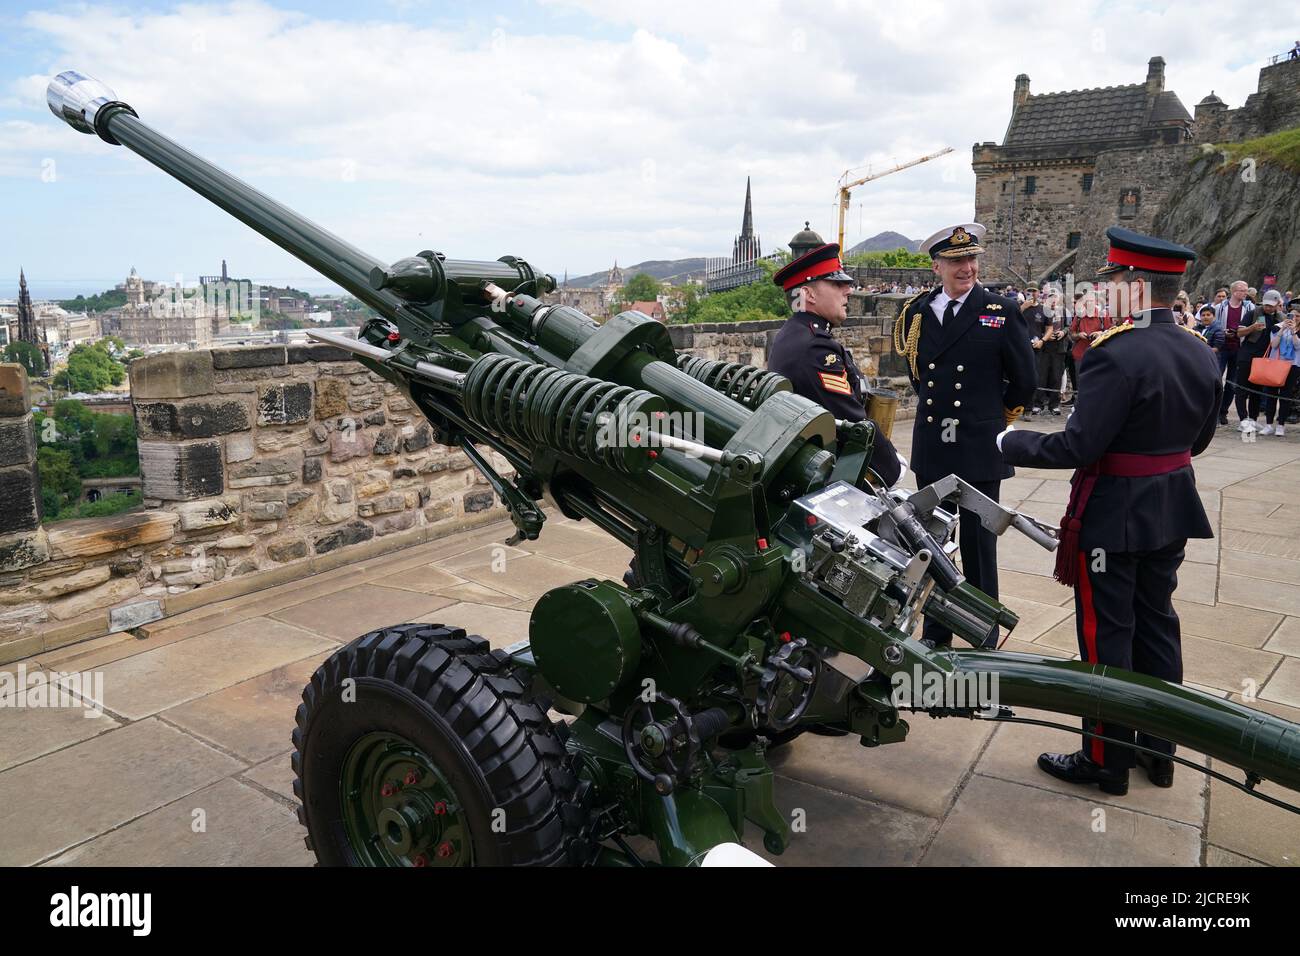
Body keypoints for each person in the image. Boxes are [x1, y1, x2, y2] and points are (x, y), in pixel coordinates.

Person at [998, 226, 1221, 795]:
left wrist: (1011, 442)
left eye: (1114, 280)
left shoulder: (1112, 355)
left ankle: (1104, 760)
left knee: (1106, 636)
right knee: (1158, 627)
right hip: (1172, 505)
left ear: (1133, 286)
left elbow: (1078, 447)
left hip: (1114, 513)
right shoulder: (1199, 349)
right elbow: (1199, 441)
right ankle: (1159, 748)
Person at [891, 223, 1037, 647]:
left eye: (972, 259)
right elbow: (918, 375)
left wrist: (995, 419)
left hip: (978, 446)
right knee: (933, 545)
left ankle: (984, 637)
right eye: (956, 261)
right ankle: (937, 637)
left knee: (978, 547)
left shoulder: (1001, 310)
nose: (967, 267)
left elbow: (1024, 379)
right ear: (937, 266)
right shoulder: (916, 313)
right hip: (934, 445)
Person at [769, 242, 903, 486]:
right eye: (837, 284)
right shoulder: (815, 347)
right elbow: (850, 422)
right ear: (808, 294)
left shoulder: (796, 333)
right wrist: (890, 466)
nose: (848, 290)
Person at [1236, 288, 1282, 432]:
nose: (1268, 308)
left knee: (1257, 391)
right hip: (1247, 356)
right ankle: (1243, 420)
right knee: (1242, 390)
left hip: (1264, 359)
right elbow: (1239, 333)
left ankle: (1253, 420)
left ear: (1277, 304)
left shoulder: (1280, 317)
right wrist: (1253, 327)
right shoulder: (1253, 313)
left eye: (1271, 305)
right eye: (1266, 305)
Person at [1209, 281, 1255, 425]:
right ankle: (1213, 412)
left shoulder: (1250, 307)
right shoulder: (1220, 307)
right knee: (1217, 380)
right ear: (1234, 291)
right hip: (1222, 347)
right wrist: (1223, 333)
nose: (1245, 293)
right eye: (1242, 290)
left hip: (1239, 348)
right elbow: (1213, 325)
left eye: (1246, 290)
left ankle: (1223, 412)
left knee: (1232, 383)